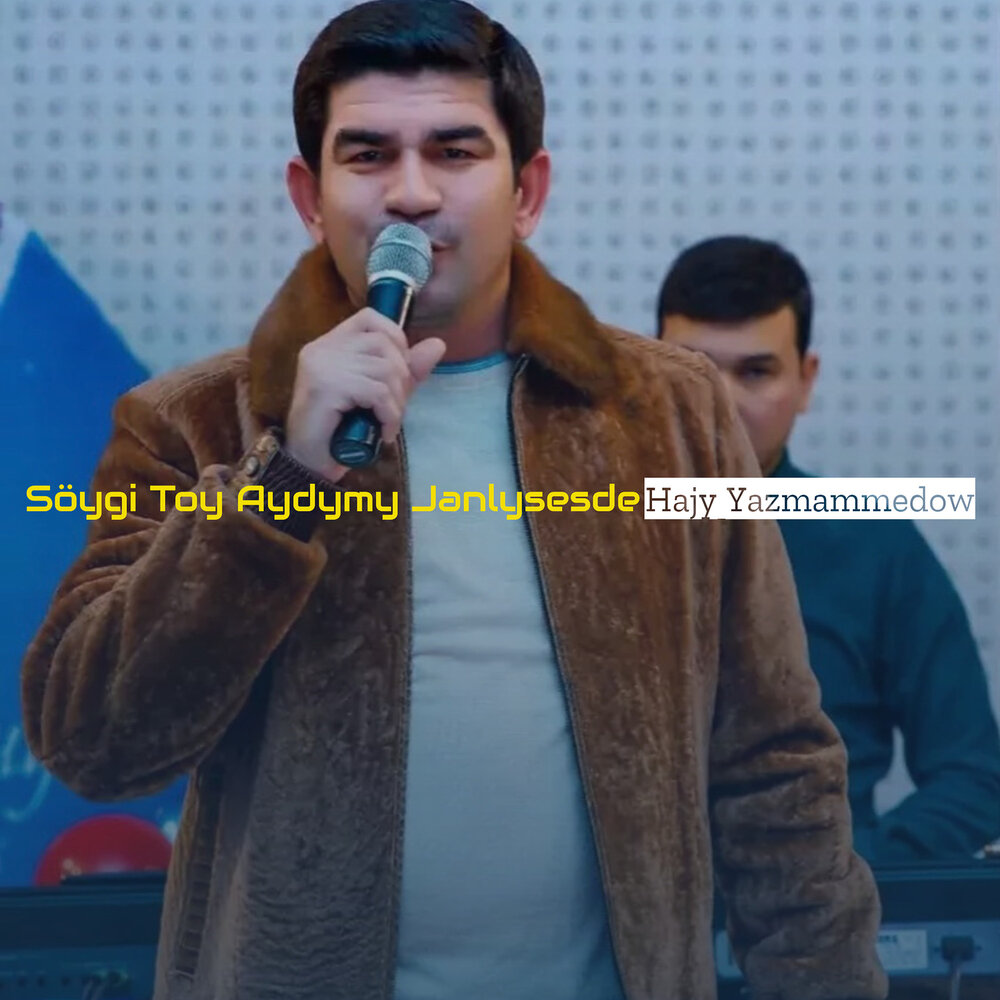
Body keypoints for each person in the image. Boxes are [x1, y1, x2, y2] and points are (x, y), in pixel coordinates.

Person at [22, 4, 886, 999]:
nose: (411, 192)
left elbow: (774, 761)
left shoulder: (671, 416)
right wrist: (285, 481)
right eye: (367, 155)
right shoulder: (195, 422)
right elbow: (93, 741)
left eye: (455, 150)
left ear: (528, 192)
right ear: (309, 197)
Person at [657, 234, 1000, 866]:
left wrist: (839, 881)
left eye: (755, 372)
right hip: (610, 919)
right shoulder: (582, 536)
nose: (721, 405)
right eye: (692, 372)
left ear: (806, 380)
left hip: (823, 911)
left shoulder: (879, 546)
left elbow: (974, 780)